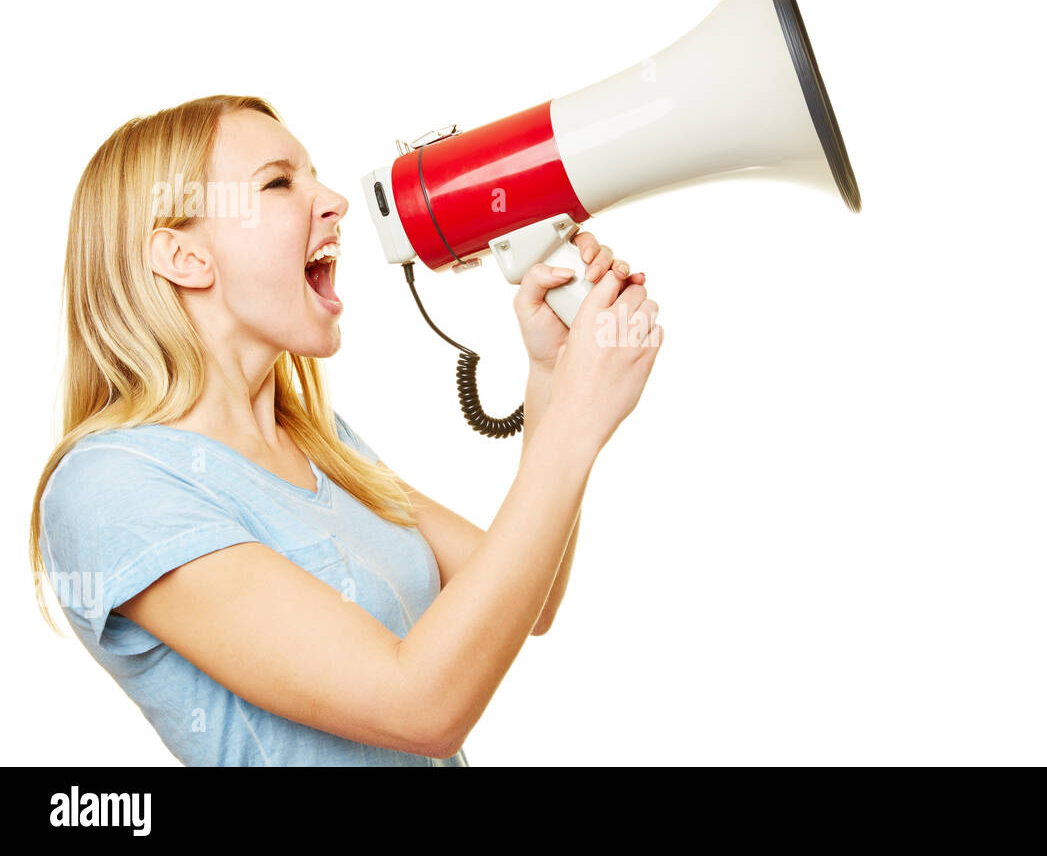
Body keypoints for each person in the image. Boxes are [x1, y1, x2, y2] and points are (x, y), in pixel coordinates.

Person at [29, 94, 663, 766]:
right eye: (278, 183)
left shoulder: (315, 440)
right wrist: (574, 425)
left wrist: (553, 383)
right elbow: (421, 709)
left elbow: (524, 599)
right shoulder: (112, 487)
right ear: (182, 257)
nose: (334, 200)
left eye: (314, 175)